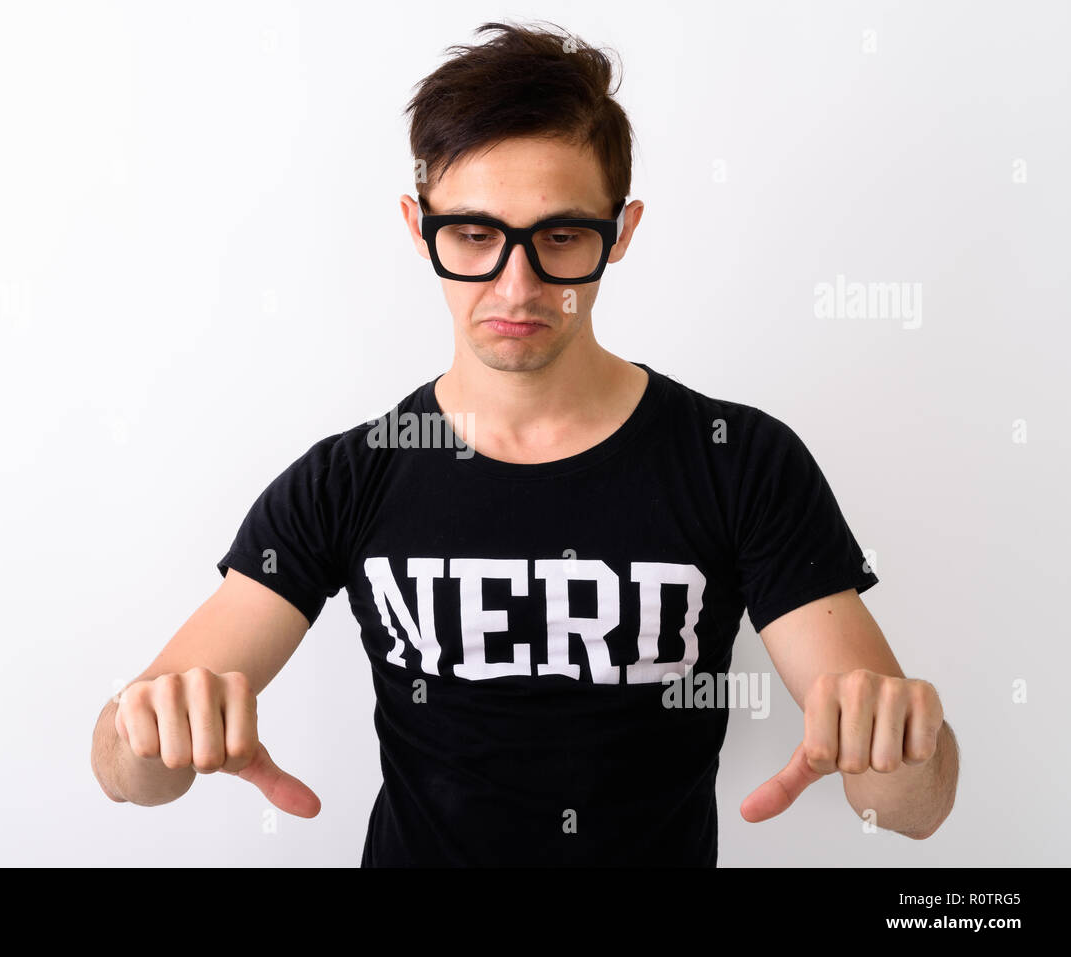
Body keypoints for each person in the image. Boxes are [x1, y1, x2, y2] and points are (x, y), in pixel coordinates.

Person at [89, 20, 958, 866]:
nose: (517, 281)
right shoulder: (347, 479)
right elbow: (127, 775)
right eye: (473, 234)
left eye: (560, 236)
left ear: (620, 233)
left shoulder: (740, 460)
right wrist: (151, 729)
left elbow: (911, 811)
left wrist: (906, 749)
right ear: (416, 225)